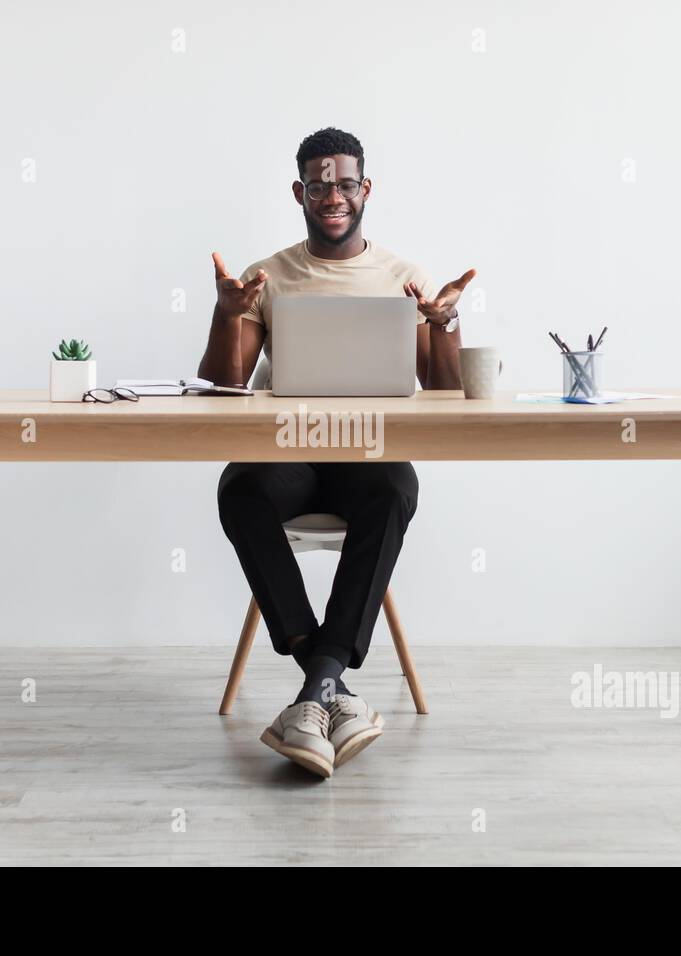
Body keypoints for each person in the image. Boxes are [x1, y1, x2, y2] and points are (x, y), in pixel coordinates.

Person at [197, 127, 475, 778]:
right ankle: (330, 686)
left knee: (397, 489)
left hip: (368, 457)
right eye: (318, 186)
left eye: (345, 184)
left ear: (365, 189)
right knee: (239, 489)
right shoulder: (268, 275)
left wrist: (445, 324)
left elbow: (445, 393)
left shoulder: (404, 277)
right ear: (299, 192)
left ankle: (313, 691)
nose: (333, 197)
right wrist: (226, 313)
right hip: (287, 453)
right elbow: (223, 389)